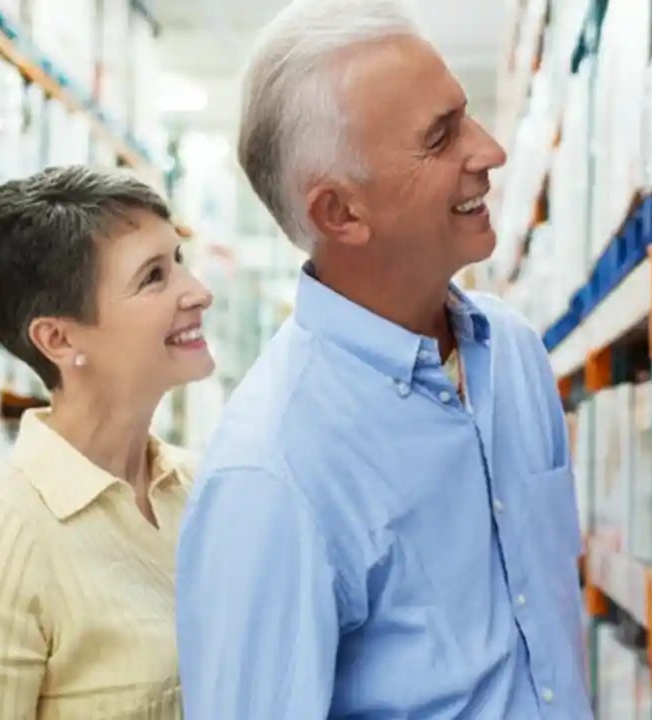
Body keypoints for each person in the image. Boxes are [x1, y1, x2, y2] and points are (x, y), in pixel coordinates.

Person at [174, 0, 589, 717]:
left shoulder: (513, 354)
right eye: (441, 137)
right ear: (340, 213)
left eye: (466, 114)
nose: (489, 151)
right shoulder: (274, 471)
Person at [0, 166, 215, 719]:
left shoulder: (204, 490)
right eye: (154, 277)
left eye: (178, 261)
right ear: (57, 338)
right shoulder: (0, 534)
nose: (197, 292)